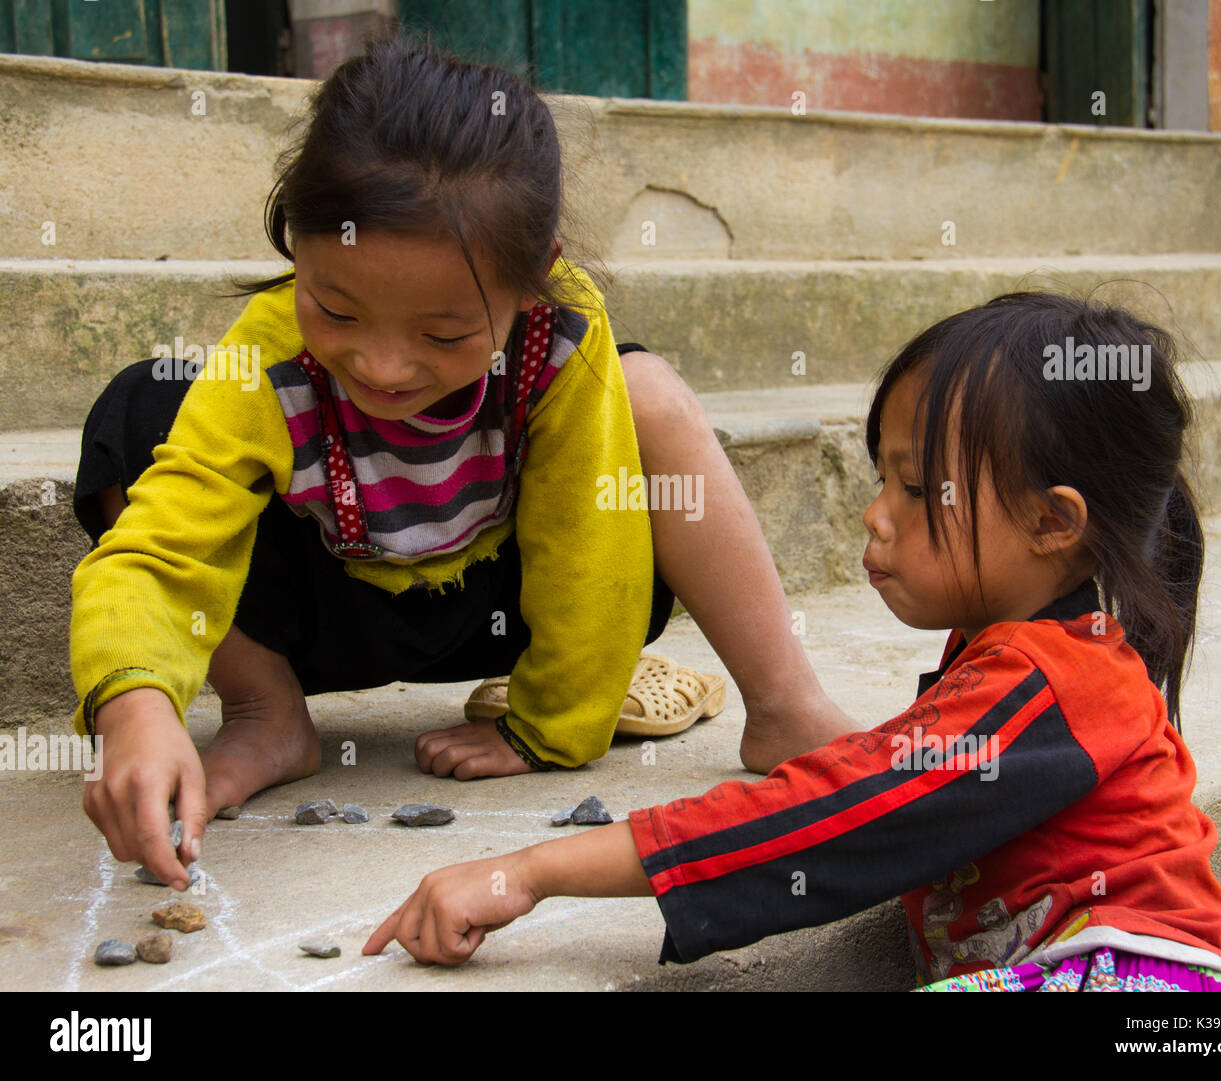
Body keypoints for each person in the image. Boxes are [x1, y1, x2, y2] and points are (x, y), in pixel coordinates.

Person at [69, 37, 855, 892]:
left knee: (650, 391)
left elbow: (589, 544)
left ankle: (784, 706)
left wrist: (547, 724)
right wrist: (134, 701)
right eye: (335, 308)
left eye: (442, 334)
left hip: (502, 607)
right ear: (298, 241)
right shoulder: (265, 359)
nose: (382, 367)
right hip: (326, 615)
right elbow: (162, 549)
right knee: (141, 408)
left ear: (534, 280)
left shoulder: (557, 345)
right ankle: (266, 712)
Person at [363, 291, 1221, 992]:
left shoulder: (1046, 679)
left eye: (919, 488)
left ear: (1051, 522)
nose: (876, 516)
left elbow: (832, 814)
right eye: (882, 477)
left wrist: (534, 868)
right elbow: (886, 778)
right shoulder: (1031, 663)